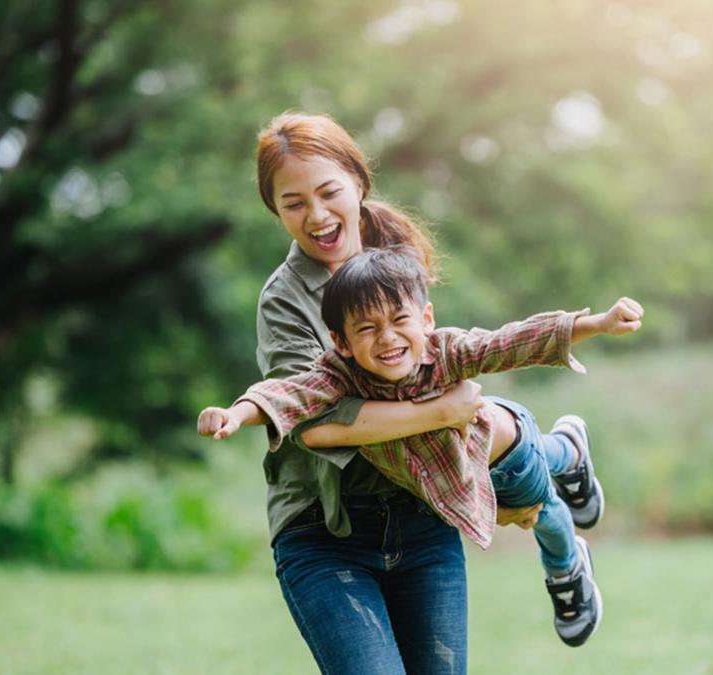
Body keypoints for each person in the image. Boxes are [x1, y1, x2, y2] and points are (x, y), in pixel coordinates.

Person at [235, 112, 562, 674]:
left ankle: (558, 470)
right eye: (293, 203)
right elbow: (318, 421)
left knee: (502, 429)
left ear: (359, 183)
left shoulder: (396, 258)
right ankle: (557, 465)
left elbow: (451, 361)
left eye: (329, 192)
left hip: (420, 518)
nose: (316, 215)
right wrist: (443, 411)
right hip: (326, 530)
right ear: (275, 210)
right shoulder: (283, 300)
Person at [199, 247, 645, 647]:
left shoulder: (447, 351)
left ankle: (567, 552)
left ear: (426, 318)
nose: (388, 338)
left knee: (541, 508)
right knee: (539, 495)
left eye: (399, 321)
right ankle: (567, 449)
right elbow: (289, 394)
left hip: (501, 452)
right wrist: (235, 414)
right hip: (458, 471)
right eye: (367, 329)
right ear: (341, 342)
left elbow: (511, 342)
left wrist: (597, 323)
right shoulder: (338, 376)